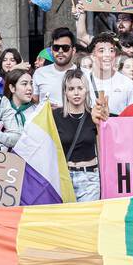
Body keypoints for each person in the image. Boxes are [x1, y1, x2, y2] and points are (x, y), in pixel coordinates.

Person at [54, 68, 102, 201]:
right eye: (71, 89)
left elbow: (102, 148)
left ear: (86, 90)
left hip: (89, 178)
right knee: (67, 221)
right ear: (65, 92)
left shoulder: (94, 115)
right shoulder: (55, 116)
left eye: (80, 88)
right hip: (64, 178)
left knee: (87, 220)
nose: (76, 93)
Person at [87, 32, 133, 116]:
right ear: (93, 56)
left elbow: (132, 118)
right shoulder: (82, 81)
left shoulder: (127, 84)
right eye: (101, 51)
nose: (107, 55)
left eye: (111, 50)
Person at [0, 69, 37, 148]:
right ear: (12, 88)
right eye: (24, 84)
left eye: (31, 84)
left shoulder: (38, 111)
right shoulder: (1, 109)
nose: (30, 88)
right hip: (5, 157)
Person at [34, 27, 81, 108]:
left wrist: (62, 110)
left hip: (74, 120)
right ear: (52, 50)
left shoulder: (83, 74)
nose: (60, 51)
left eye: (65, 48)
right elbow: (34, 103)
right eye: (56, 47)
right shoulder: (39, 73)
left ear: (73, 51)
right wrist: (44, 108)